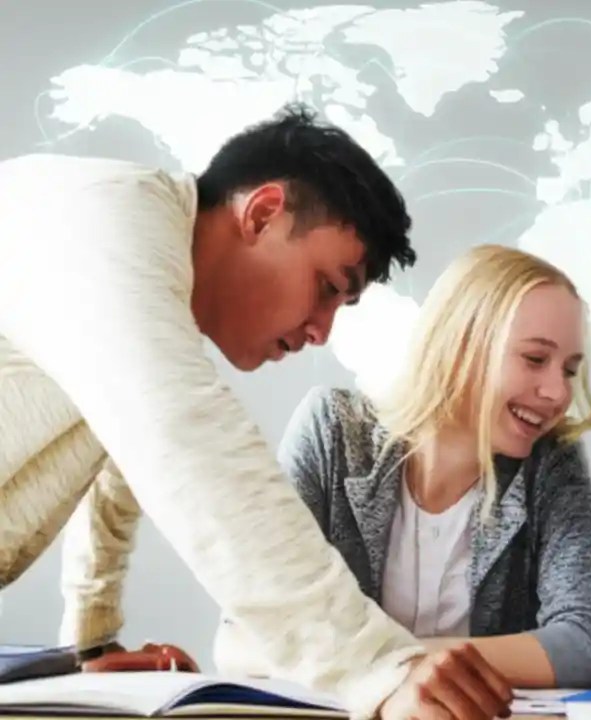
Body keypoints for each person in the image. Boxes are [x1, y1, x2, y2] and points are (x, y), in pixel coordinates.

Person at [0, 103, 515, 720]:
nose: (322, 331)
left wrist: (91, 643)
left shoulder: (138, 271)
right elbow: (187, 444)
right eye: (328, 286)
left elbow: (121, 456)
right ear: (263, 213)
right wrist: (376, 667)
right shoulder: (106, 223)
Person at [210, 244, 591, 691]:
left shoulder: (550, 463)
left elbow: (585, 646)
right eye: (535, 359)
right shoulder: (333, 432)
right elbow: (242, 639)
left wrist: (383, 660)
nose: (558, 393)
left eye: (571, 370)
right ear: (461, 345)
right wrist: (396, 671)